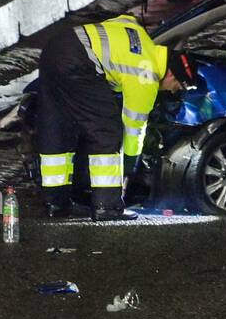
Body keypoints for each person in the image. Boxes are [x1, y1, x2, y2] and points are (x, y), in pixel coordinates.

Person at [33, 13, 182, 220]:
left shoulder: (141, 39)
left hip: (55, 47)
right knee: (108, 130)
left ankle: (56, 203)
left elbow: (123, 20)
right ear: (172, 74)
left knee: (58, 126)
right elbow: (133, 127)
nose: (173, 91)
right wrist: (130, 162)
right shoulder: (147, 75)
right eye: (177, 86)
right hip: (80, 60)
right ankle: (107, 206)